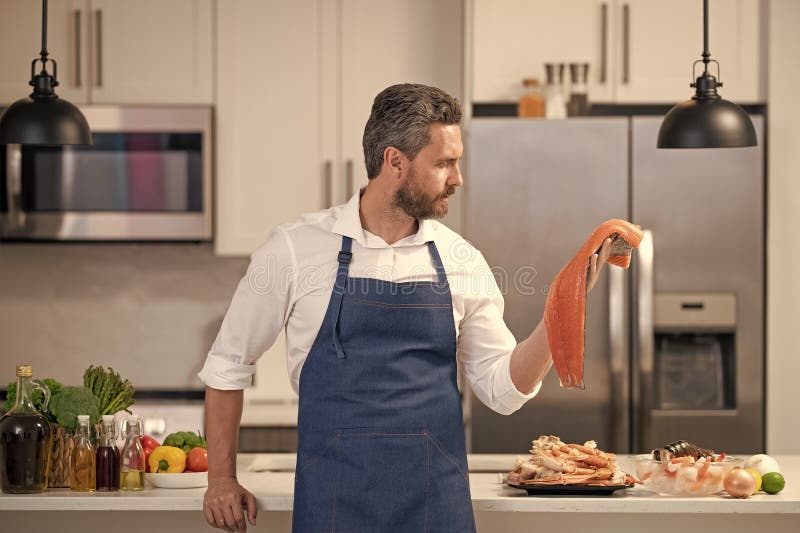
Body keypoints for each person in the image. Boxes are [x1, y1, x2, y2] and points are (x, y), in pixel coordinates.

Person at [199, 83, 613, 533]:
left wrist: (563, 306)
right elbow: (228, 366)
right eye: (444, 163)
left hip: (435, 506)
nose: (458, 178)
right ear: (395, 161)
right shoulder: (294, 250)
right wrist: (220, 478)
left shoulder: (461, 260)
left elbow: (503, 389)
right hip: (335, 504)